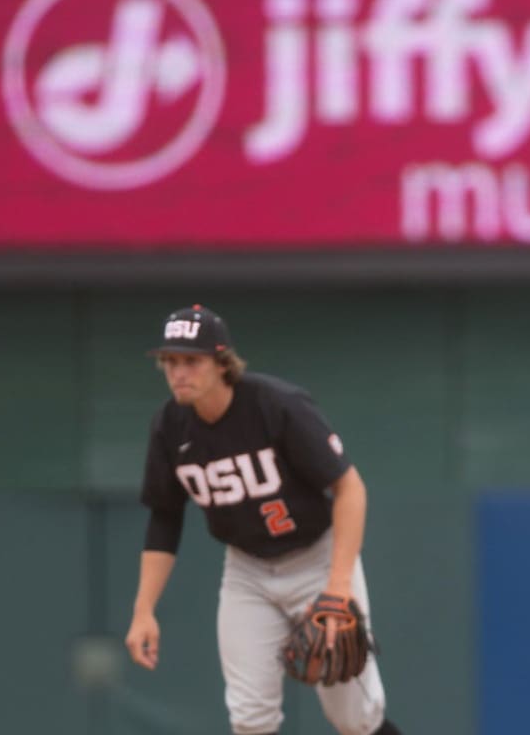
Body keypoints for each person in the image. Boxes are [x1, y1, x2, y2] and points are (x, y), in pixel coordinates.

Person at [124, 304, 402, 735]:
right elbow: (165, 517)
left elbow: (350, 489)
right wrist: (144, 609)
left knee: (355, 718)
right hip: (247, 570)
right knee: (250, 719)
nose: (178, 372)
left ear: (222, 362)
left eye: (191, 361)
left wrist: (338, 588)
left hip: (317, 560)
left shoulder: (275, 405)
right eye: (171, 361)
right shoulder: (169, 427)